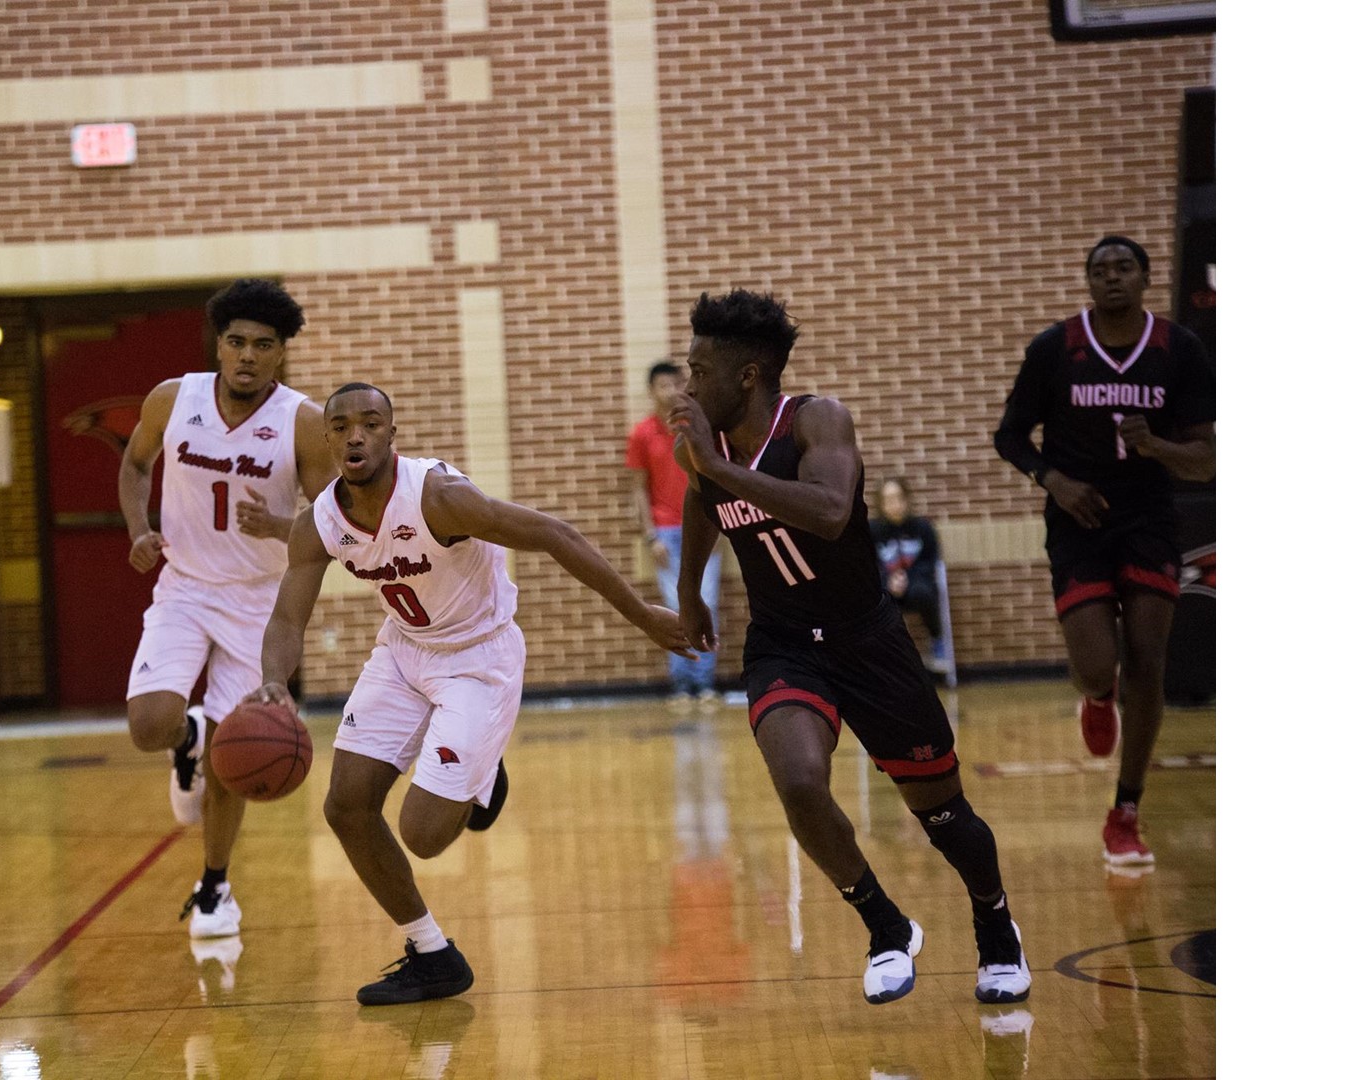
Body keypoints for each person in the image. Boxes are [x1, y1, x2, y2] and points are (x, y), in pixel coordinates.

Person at [248, 382, 690, 1006]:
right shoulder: (318, 522)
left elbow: (554, 534)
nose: (355, 434)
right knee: (345, 807)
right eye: (341, 424)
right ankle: (433, 955)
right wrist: (272, 683)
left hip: (479, 658)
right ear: (327, 439)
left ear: (390, 434)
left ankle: (482, 772)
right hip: (404, 652)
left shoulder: (439, 498)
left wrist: (643, 613)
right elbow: (287, 619)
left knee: (424, 835)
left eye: (370, 423)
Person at [669, 289, 1029, 1006]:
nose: (689, 384)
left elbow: (831, 514)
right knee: (800, 782)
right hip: (783, 644)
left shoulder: (815, 419)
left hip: (868, 641)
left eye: (700, 369)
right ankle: (886, 927)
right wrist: (688, 593)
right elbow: (701, 507)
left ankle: (996, 925)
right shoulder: (706, 454)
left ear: (747, 375)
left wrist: (720, 469)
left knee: (944, 817)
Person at [117, 279, 336, 938]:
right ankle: (184, 738)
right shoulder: (170, 399)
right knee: (149, 724)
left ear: (280, 354)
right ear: (219, 342)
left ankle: (215, 885)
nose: (246, 355)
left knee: (233, 761)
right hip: (183, 587)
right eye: (235, 341)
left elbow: (330, 524)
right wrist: (138, 530)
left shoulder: (303, 421)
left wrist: (278, 526)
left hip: (257, 605)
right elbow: (134, 467)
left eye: (262, 345)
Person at [994, 235, 1215, 868]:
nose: (1112, 277)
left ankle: (1125, 813)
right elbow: (1009, 435)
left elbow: (1208, 458)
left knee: (1148, 662)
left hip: (1148, 518)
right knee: (1099, 665)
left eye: (1124, 268)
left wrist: (1160, 449)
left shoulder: (1180, 351)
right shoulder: (1055, 348)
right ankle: (1095, 696)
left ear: (1145, 279)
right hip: (1078, 519)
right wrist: (1054, 480)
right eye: (1100, 270)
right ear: (1088, 283)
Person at [628, 360, 724, 701]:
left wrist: (718, 525)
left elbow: (714, 477)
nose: (670, 391)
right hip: (666, 532)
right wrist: (650, 535)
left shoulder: (698, 428)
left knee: (707, 602)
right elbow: (639, 488)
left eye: (675, 384)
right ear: (652, 391)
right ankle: (683, 683)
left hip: (702, 527)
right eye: (662, 385)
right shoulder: (642, 433)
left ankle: (706, 682)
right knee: (677, 607)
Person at [869, 477, 947, 673]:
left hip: (916, 587)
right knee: (872, 601)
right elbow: (867, 566)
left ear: (907, 499)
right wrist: (888, 579)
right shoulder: (872, 530)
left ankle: (937, 641)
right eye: (888, 499)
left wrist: (908, 578)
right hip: (885, 589)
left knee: (924, 592)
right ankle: (881, 657)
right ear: (881, 503)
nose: (894, 504)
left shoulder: (922, 528)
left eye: (898, 498)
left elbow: (931, 561)